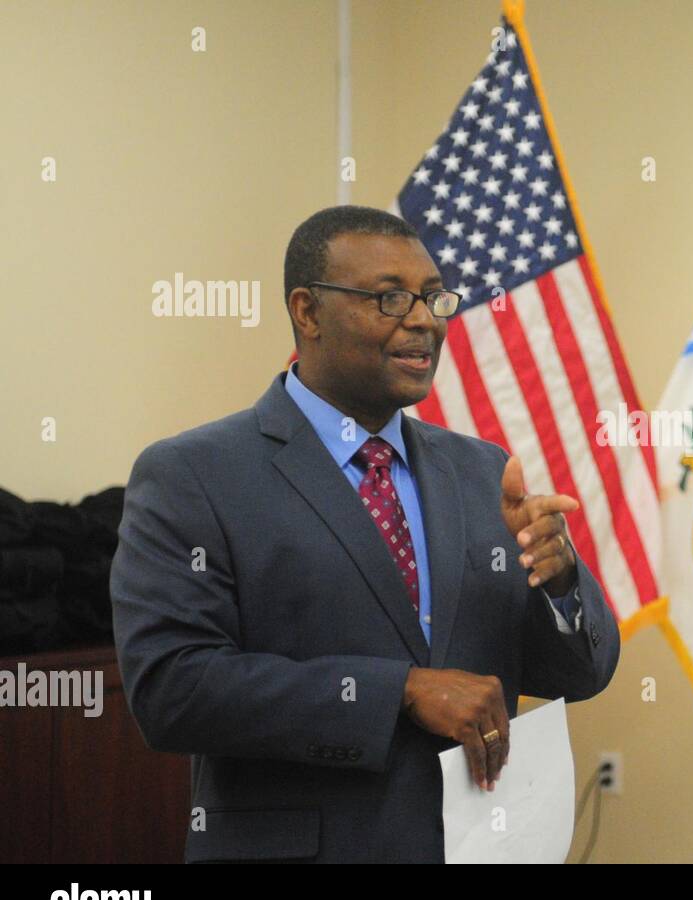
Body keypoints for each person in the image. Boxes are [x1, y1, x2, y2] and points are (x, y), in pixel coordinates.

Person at [110, 205, 619, 863]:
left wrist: (560, 583)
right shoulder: (194, 473)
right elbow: (171, 690)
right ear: (308, 311)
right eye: (389, 298)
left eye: (434, 297)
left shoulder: (482, 471)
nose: (424, 319)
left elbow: (579, 673)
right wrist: (400, 691)